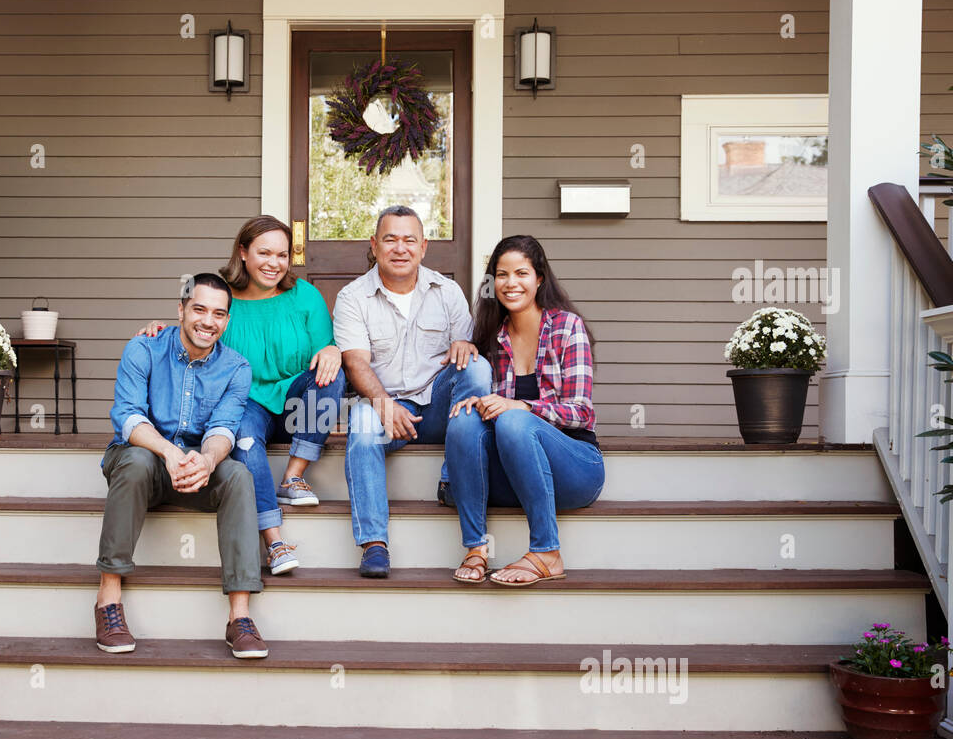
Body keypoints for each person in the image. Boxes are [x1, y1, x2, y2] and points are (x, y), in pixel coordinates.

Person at [135, 216, 345, 576]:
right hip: (246, 402)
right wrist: (163, 331)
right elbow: (200, 326)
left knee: (332, 376)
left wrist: (332, 350)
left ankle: (294, 475)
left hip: (299, 406)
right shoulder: (225, 299)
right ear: (243, 252)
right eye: (264, 253)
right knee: (244, 436)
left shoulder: (305, 296)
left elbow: (324, 350)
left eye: (282, 255)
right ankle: (274, 542)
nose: (274, 263)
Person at [95, 272, 269, 659]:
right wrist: (168, 453)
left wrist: (206, 461)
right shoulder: (144, 349)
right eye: (200, 309)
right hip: (144, 463)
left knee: (238, 474)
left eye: (219, 314)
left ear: (227, 320)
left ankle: (239, 618)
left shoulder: (237, 369)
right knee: (138, 459)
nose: (209, 321)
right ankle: (108, 599)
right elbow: (127, 416)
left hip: (194, 466)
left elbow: (224, 427)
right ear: (181, 310)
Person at [333, 205, 491, 578]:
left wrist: (466, 348)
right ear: (374, 245)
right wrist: (385, 405)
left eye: (409, 240)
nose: (399, 248)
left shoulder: (447, 291)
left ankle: (452, 477)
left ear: (423, 247)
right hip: (388, 405)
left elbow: (464, 350)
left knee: (478, 367)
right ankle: (374, 545)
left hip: (440, 407)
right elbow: (355, 363)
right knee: (361, 422)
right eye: (390, 239)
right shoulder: (352, 297)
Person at [445, 235, 605, 586]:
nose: (511, 283)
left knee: (516, 420)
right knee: (464, 419)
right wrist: (479, 401)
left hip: (574, 467)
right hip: (516, 474)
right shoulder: (492, 337)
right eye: (502, 275)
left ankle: (547, 551)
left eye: (521, 273)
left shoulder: (567, 327)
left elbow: (581, 412)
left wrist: (520, 405)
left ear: (539, 278)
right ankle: (476, 547)